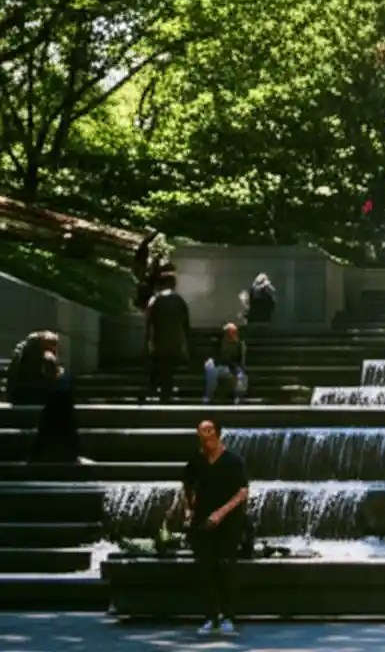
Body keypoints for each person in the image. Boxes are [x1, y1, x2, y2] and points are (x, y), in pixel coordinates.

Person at [183, 419, 249, 637]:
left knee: (226, 568)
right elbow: (188, 487)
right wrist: (189, 510)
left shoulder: (233, 461)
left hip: (228, 523)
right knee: (206, 570)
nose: (206, 435)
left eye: (209, 431)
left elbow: (242, 492)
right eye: (202, 431)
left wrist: (220, 513)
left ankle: (228, 616)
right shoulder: (196, 460)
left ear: (218, 433)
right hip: (202, 523)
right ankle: (210, 617)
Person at [27, 353, 85, 464]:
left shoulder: (60, 388)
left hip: (59, 422)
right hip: (64, 423)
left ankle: (35, 456)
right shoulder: (63, 382)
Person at [146, 271, 190, 402]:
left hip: (159, 340)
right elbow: (186, 324)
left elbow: (149, 322)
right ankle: (166, 393)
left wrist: (148, 340)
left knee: (159, 366)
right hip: (174, 341)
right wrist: (186, 344)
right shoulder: (179, 300)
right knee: (168, 369)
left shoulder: (155, 299)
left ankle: (156, 391)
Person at [6, 331, 60, 405]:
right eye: (54, 345)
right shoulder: (41, 355)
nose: (55, 349)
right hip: (30, 395)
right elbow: (53, 378)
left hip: (17, 395)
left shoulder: (22, 350)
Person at [203, 324, 248, 404]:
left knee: (241, 376)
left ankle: (238, 397)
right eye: (231, 332)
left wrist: (235, 367)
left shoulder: (240, 344)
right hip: (219, 366)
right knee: (210, 367)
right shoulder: (218, 343)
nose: (233, 334)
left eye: (235, 332)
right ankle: (209, 396)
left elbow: (241, 361)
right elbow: (213, 356)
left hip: (233, 367)